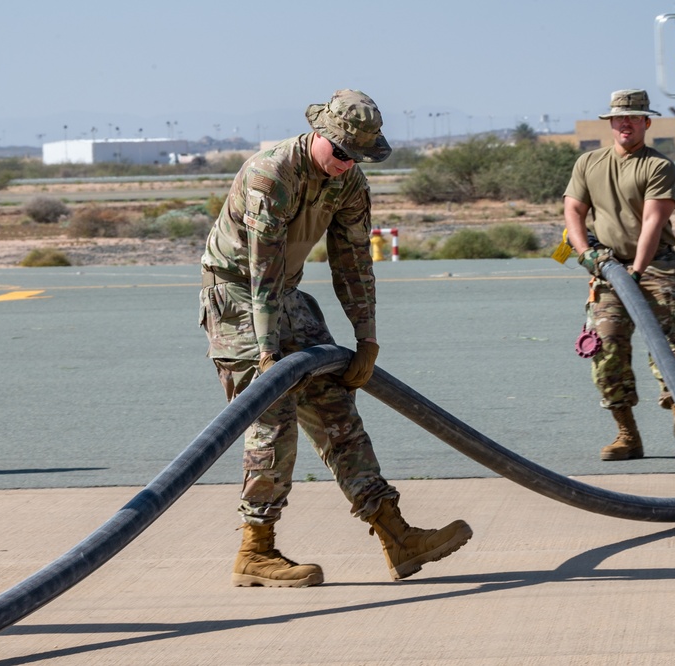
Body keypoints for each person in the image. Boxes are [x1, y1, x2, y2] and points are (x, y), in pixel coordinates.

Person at [199, 89, 472, 587]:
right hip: (238, 297)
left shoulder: (349, 182)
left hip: (287, 295)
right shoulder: (271, 174)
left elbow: (353, 262)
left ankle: (395, 534)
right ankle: (255, 550)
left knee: (337, 410)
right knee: (273, 418)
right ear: (319, 135)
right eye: (342, 152)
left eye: (358, 156)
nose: (347, 163)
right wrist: (267, 350)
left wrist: (367, 339)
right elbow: (262, 268)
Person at [563, 88, 675, 463]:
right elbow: (573, 210)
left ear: (646, 123)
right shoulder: (589, 162)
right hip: (607, 267)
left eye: (634, 117)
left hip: (656, 268)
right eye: (619, 118)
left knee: (671, 350)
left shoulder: (658, 167)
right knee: (605, 349)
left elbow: (653, 222)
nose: (626, 123)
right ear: (611, 122)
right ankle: (627, 434)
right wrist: (585, 253)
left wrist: (636, 272)